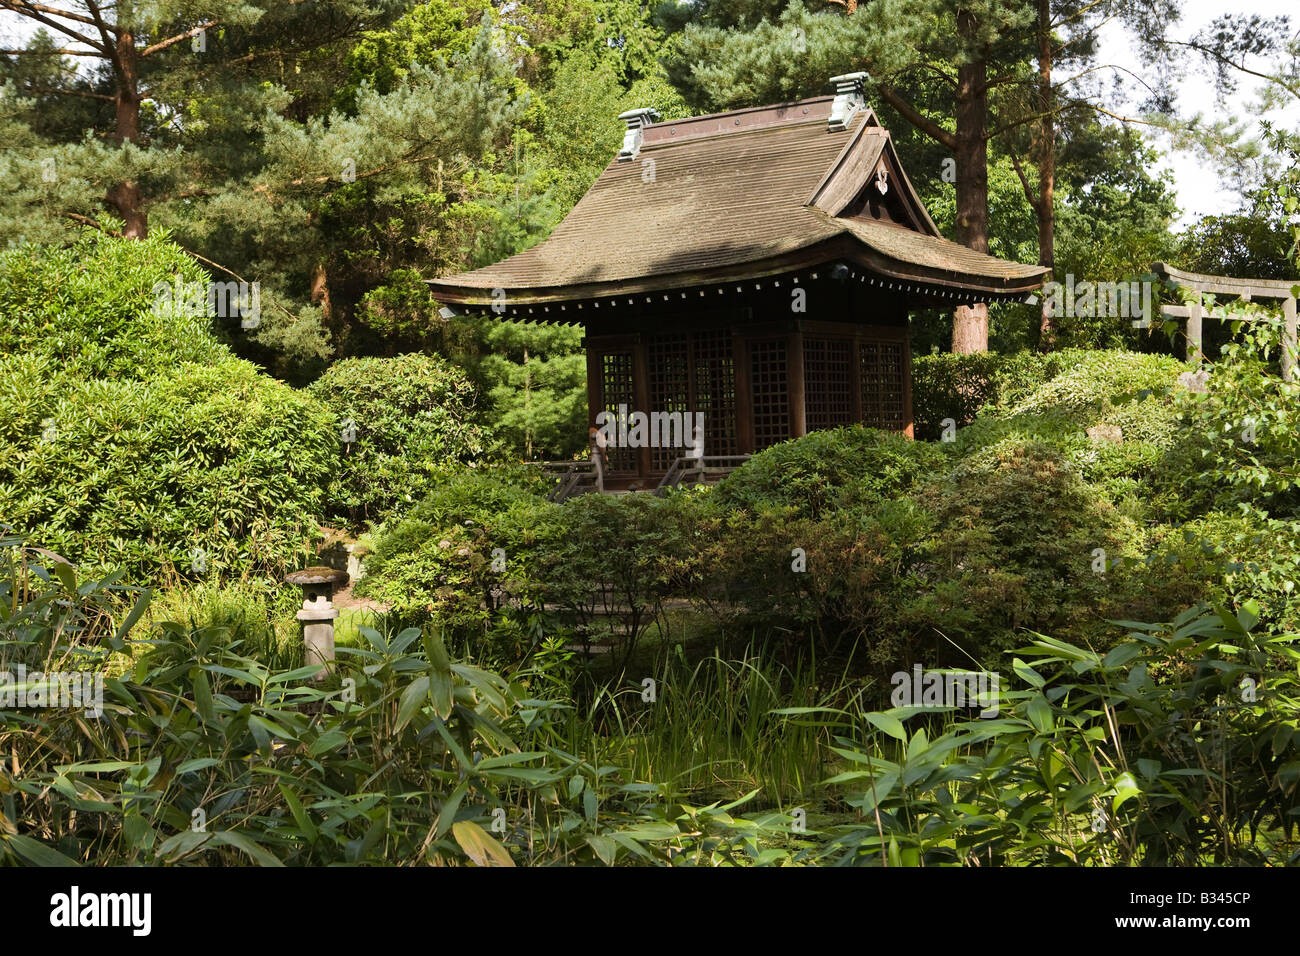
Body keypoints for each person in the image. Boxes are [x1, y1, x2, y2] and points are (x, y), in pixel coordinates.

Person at [589, 425, 606, 493]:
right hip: (595, 457)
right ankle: (597, 488)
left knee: (598, 472)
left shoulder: (599, 436)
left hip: (596, 457)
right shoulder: (596, 434)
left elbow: (602, 450)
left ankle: (598, 488)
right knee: (597, 472)